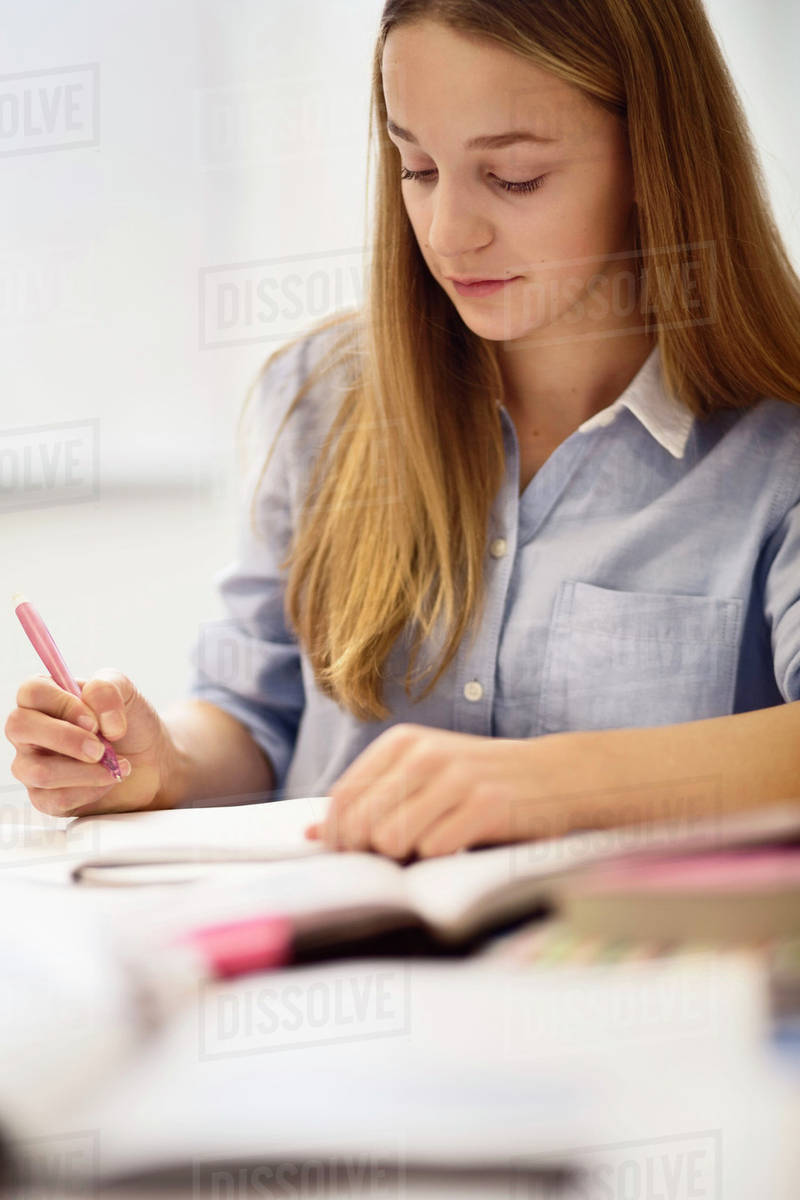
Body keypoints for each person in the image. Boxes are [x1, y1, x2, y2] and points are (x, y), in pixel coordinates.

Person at [6, 0, 800, 862]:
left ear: (656, 156)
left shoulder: (775, 447)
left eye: (516, 178)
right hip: (331, 967)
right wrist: (160, 765)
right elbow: (254, 716)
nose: (450, 234)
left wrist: (543, 784)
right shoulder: (319, 400)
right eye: (417, 167)